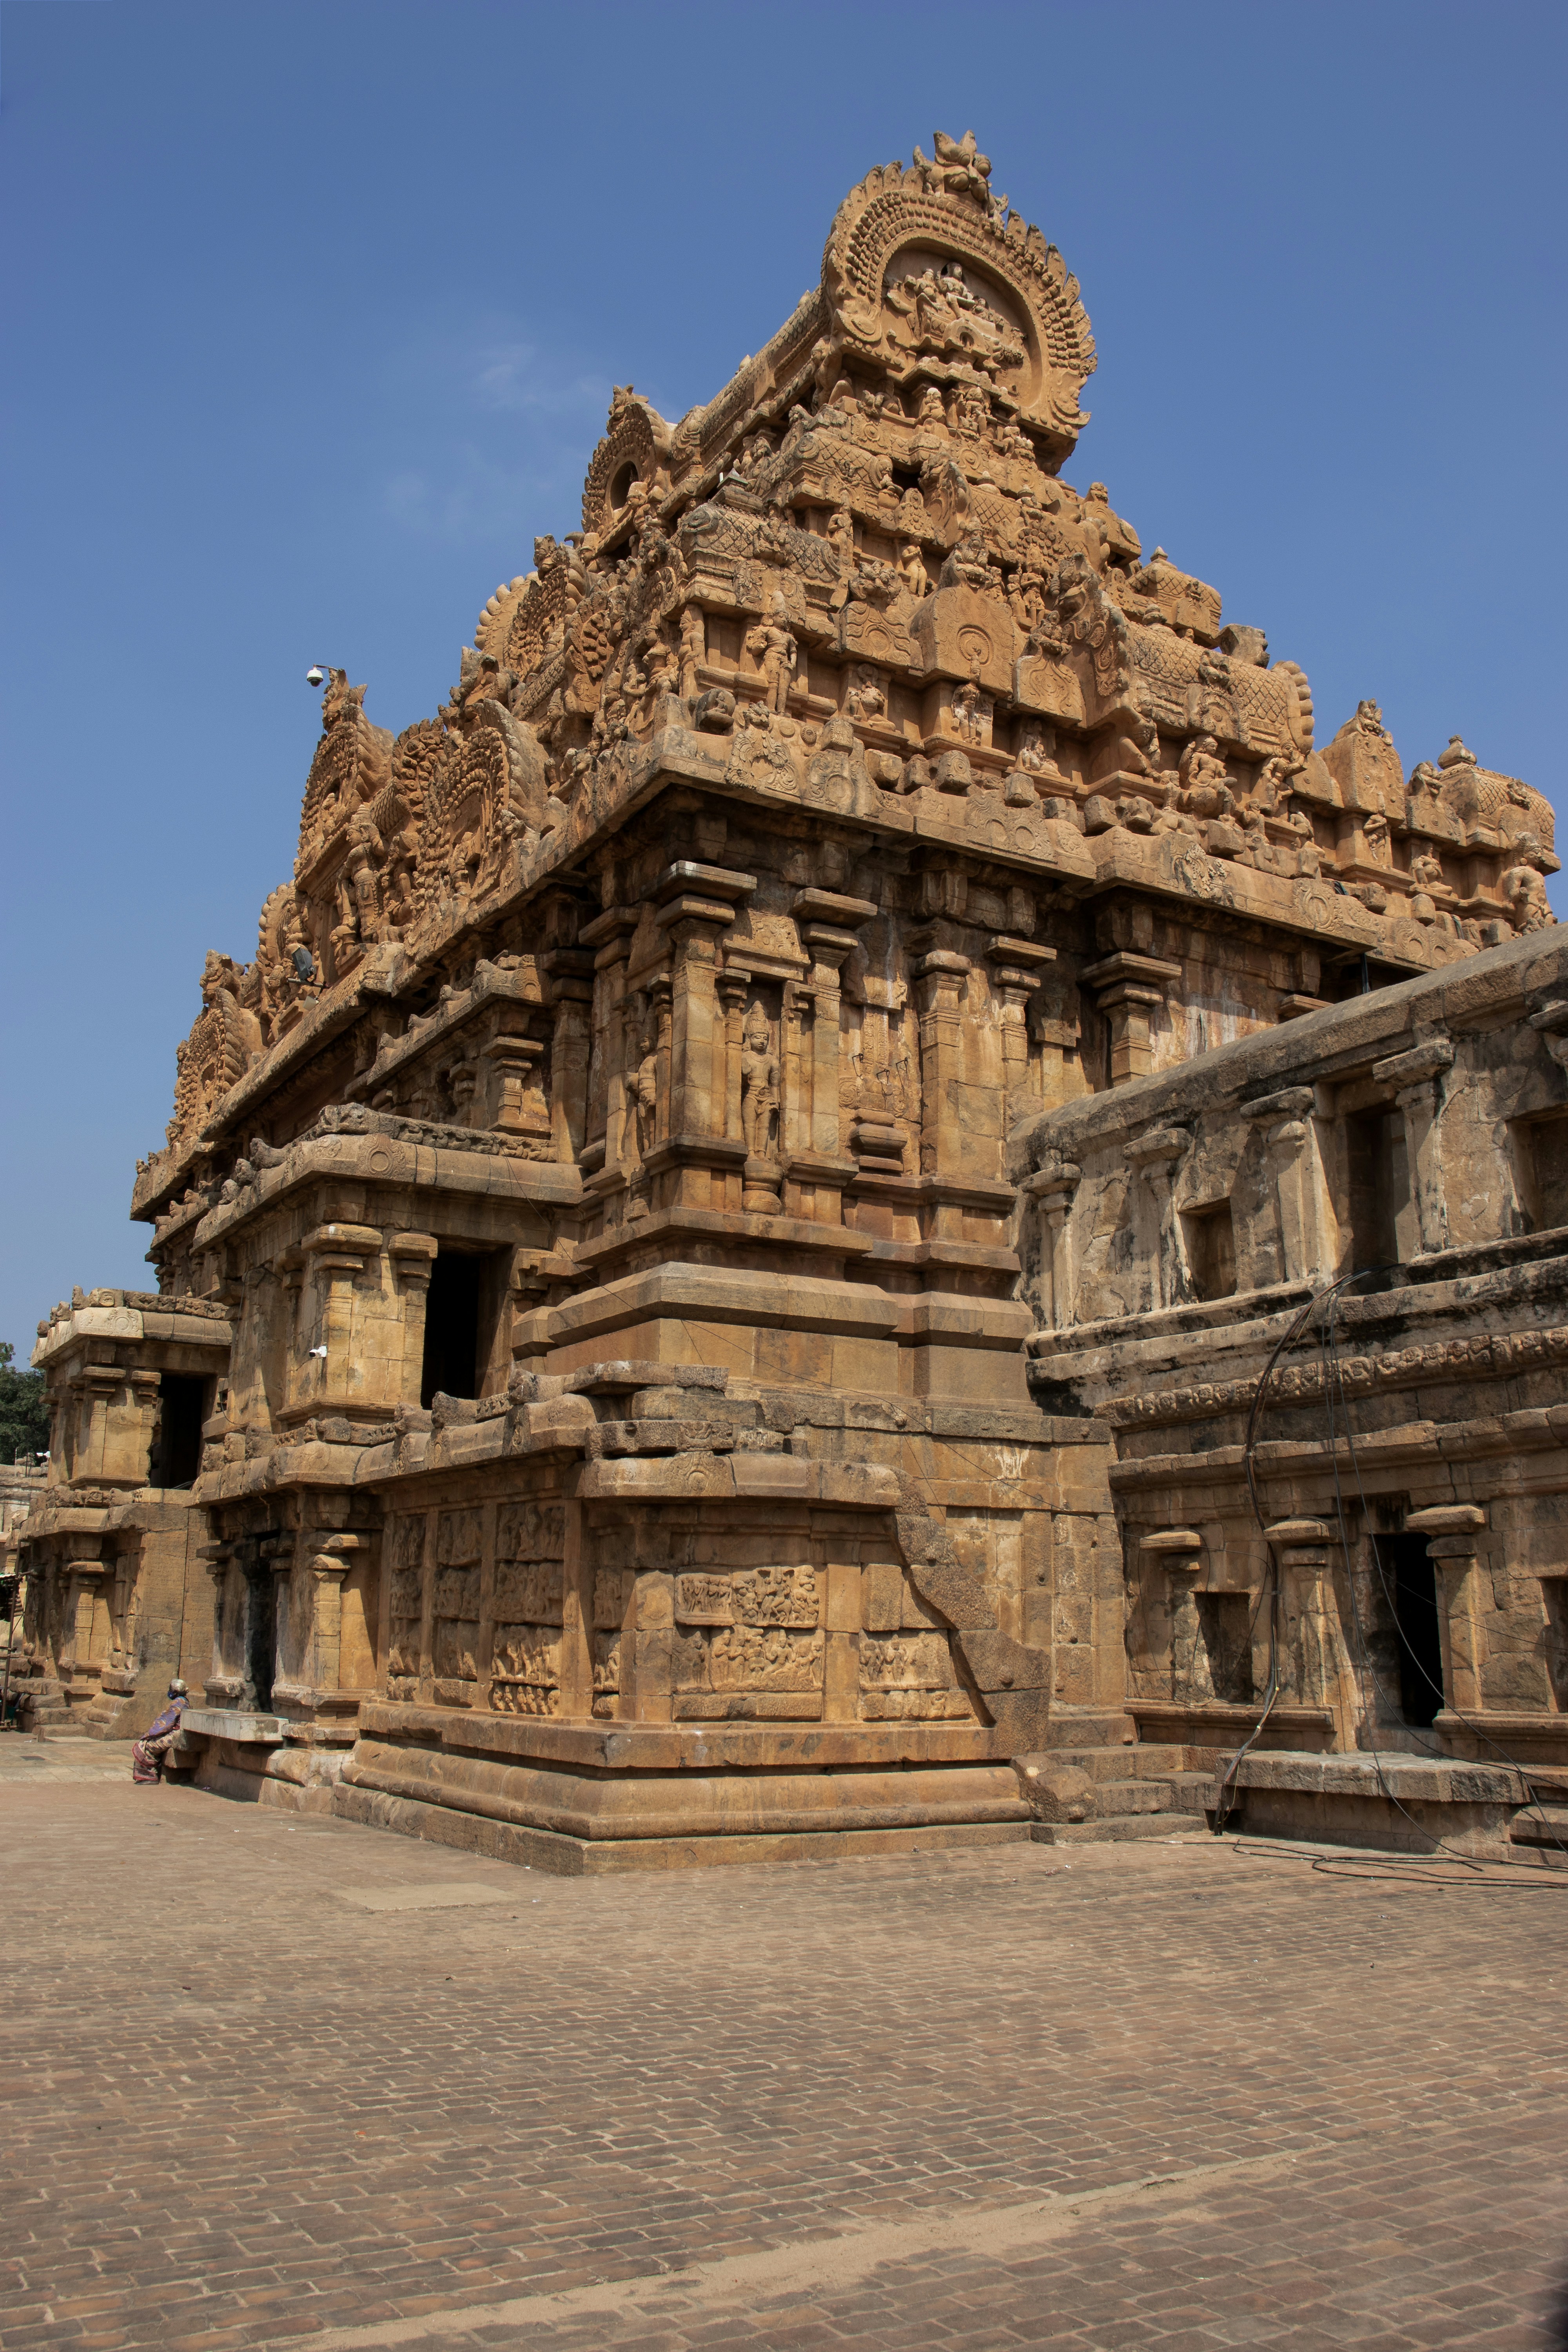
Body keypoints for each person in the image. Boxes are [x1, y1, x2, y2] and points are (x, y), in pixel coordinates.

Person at [131, 1681, 188, 1784]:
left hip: (176, 1736)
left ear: (175, 1692)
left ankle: (150, 1776)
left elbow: (166, 1724)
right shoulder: (184, 1702)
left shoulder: (178, 1703)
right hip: (179, 1734)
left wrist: (150, 1734)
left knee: (146, 1746)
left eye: (171, 1690)